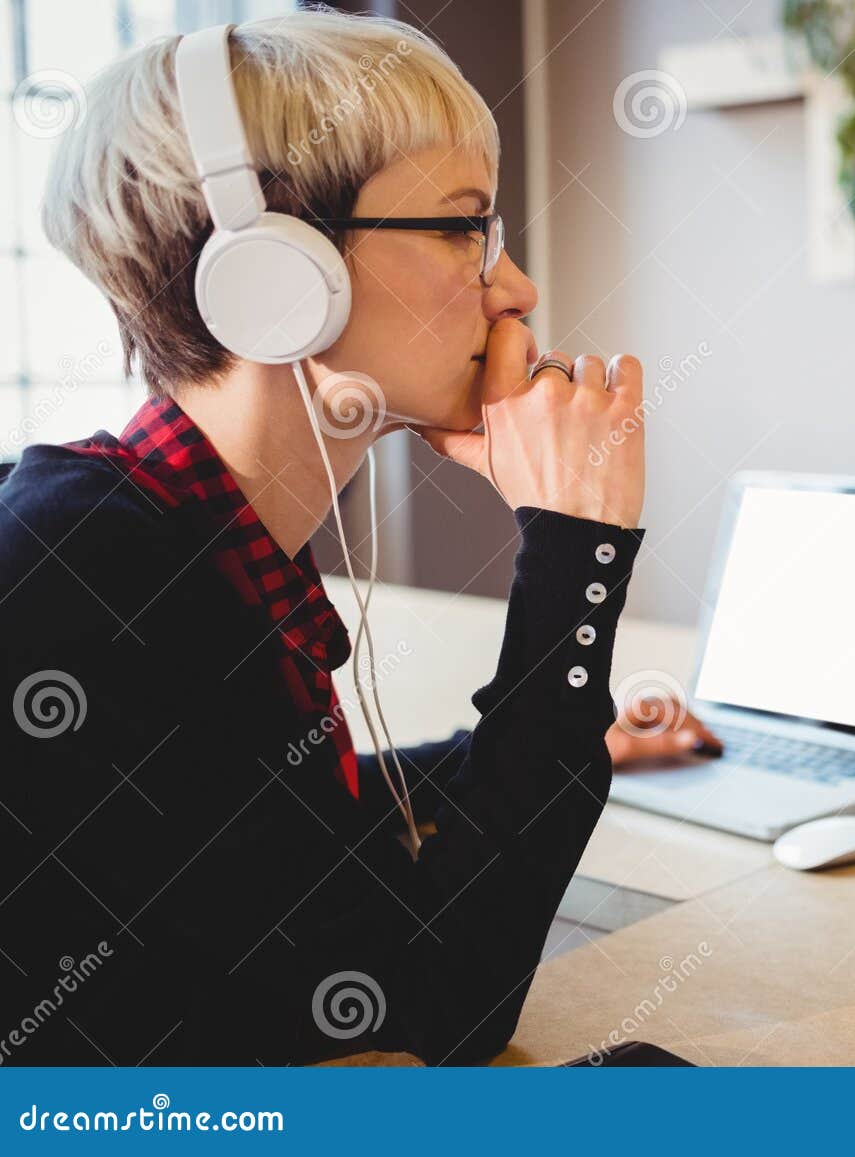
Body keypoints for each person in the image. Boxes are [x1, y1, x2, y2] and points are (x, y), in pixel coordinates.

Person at [0, 10, 714, 1066]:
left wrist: (538, 744)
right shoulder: (83, 581)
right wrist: (576, 548)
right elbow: (437, 1012)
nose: (514, 288)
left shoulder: (162, 526)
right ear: (278, 278)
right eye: (464, 226)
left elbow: (271, 825)